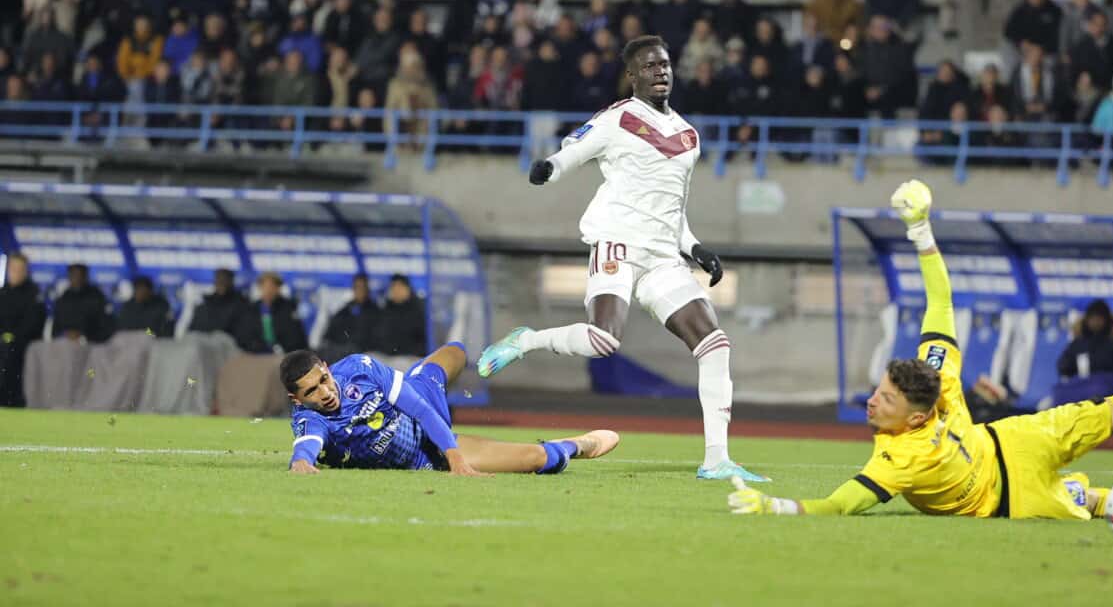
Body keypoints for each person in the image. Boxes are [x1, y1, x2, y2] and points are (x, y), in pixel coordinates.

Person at [726, 179, 1113, 520]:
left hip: (1015, 488)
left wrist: (776, 507)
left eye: (886, 399)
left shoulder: (899, 459)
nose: (873, 399)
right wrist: (921, 232)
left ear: (914, 417)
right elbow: (940, 300)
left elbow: (840, 505)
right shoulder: (939, 376)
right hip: (1019, 447)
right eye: (880, 390)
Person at [477, 35, 767, 483]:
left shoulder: (689, 136)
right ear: (632, 76)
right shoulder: (619, 118)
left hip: (662, 255)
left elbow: (674, 208)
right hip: (617, 242)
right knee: (603, 340)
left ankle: (716, 459)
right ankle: (526, 340)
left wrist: (694, 248)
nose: (661, 72)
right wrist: (549, 168)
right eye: (650, 66)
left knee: (715, 346)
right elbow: (575, 148)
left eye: (665, 64)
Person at [283, 344, 620, 475]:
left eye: (324, 379)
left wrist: (457, 458)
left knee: (455, 352)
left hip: (424, 407)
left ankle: (507, 347)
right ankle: (576, 445)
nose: (326, 392)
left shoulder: (360, 367)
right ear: (296, 400)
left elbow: (419, 408)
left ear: (327, 367)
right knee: (538, 460)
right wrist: (301, 463)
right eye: (312, 391)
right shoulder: (310, 419)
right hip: (427, 456)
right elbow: (307, 445)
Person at [0, 252, 47, 407]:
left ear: (26, 271)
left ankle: (10, 401)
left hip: (24, 343)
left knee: (9, 351)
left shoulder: (34, 294)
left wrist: (11, 336)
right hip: (3, 341)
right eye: (13, 268)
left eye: (20, 269)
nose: (16, 272)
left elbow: (34, 324)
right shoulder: (3, 292)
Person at [51, 263, 113, 342]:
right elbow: (56, 326)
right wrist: (63, 335)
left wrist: (83, 334)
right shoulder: (64, 298)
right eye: (73, 275)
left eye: (79, 275)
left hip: (91, 344)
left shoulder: (96, 296)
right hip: (66, 344)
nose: (76, 278)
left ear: (85, 276)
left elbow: (105, 324)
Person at [322, 274, 379, 358]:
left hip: (364, 351)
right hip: (342, 349)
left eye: (362, 287)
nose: (359, 290)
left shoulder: (374, 311)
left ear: (367, 289)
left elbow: (375, 337)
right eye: (357, 287)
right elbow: (330, 332)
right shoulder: (347, 308)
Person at [372, 274, 427, 358]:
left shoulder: (418, 309)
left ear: (408, 289)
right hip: (385, 356)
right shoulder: (387, 308)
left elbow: (422, 341)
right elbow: (378, 335)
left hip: (409, 357)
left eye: (400, 287)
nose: (396, 290)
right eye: (393, 287)